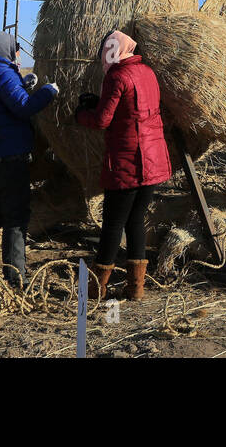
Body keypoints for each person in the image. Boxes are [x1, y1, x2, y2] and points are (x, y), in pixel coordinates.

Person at [74, 30, 172, 303]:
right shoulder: (147, 72)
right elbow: (133, 110)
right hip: (153, 160)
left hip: (128, 161)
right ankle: (135, 288)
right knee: (135, 221)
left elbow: (103, 120)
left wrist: (82, 114)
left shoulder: (117, 76)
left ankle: (96, 289)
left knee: (112, 225)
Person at [0, 29, 58, 288]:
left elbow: (0, 103)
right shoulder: (3, 73)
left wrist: (21, 85)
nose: (17, 52)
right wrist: (48, 92)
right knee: (15, 218)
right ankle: (16, 280)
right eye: (14, 48)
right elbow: (24, 108)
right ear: (3, 48)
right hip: (9, 157)